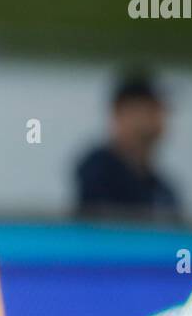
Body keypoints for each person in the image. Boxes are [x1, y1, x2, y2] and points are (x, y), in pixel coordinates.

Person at [75, 72, 181, 222]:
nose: (157, 118)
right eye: (148, 109)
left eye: (160, 110)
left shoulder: (163, 189)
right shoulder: (98, 173)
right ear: (119, 113)